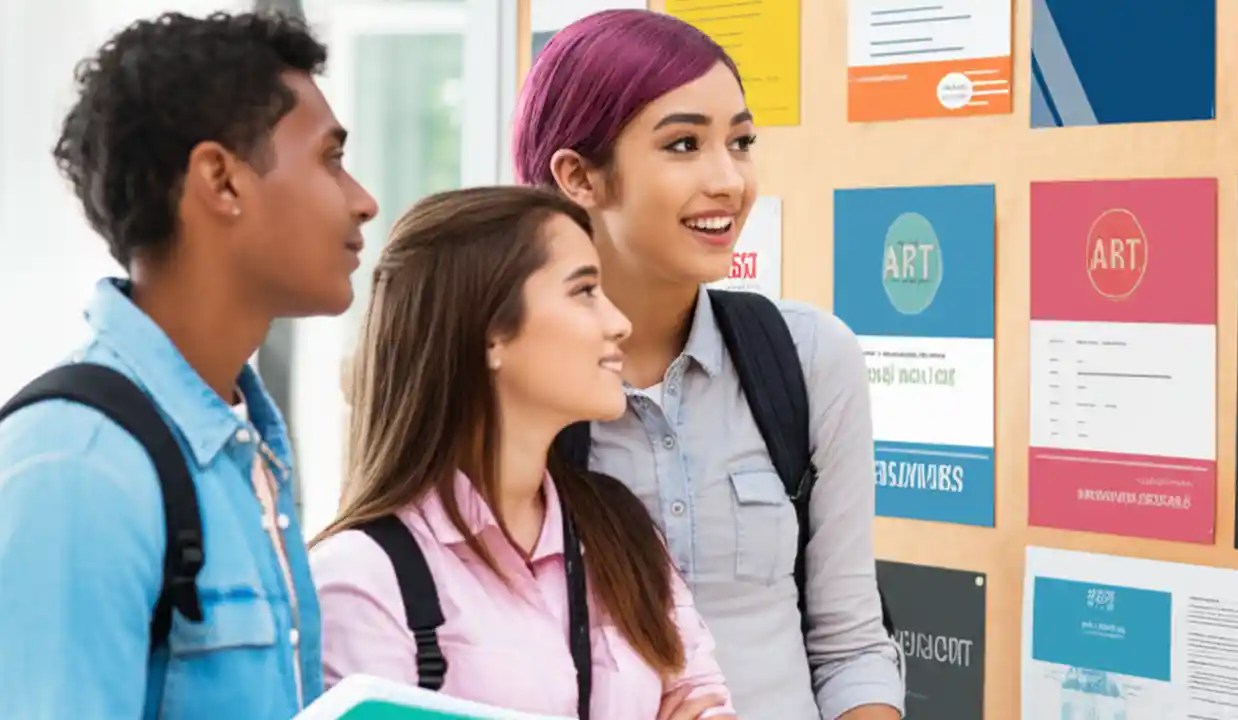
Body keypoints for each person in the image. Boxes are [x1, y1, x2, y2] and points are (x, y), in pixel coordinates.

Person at [512, 9, 905, 720]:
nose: (729, 180)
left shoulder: (809, 357)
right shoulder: (509, 383)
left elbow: (850, 644)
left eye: (742, 142)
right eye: (685, 144)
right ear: (578, 176)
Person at [0, 11, 377, 719]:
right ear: (221, 180)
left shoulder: (245, 446)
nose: (363, 200)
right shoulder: (77, 468)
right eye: (330, 158)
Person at [308, 186, 736, 720]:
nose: (618, 322)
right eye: (584, 291)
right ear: (490, 333)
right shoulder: (362, 580)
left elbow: (702, 701)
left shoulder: (623, 533)